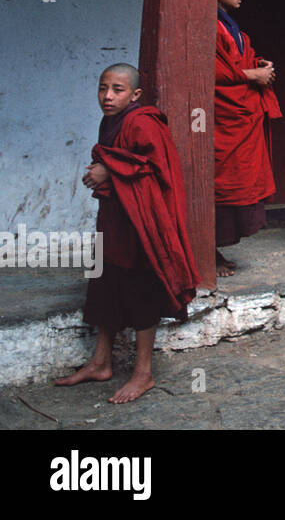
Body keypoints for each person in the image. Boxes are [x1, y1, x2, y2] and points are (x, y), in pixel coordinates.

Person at [54, 64, 200, 404]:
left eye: (117, 90)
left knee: (140, 290)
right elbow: (124, 160)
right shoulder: (111, 120)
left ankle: (143, 372)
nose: (107, 96)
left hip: (140, 226)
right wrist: (108, 170)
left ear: (134, 94)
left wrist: (110, 170)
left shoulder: (143, 121)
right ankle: (100, 362)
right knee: (104, 285)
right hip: (116, 221)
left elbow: (156, 168)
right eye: (103, 88)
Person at [213, 0, 281, 277]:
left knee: (238, 180)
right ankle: (206, 252)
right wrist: (251, 75)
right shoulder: (209, 26)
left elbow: (235, 62)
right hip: (224, 118)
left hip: (242, 113)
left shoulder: (231, 26)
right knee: (218, 183)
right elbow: (206, 71)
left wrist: (257, 65)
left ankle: (214, 252)